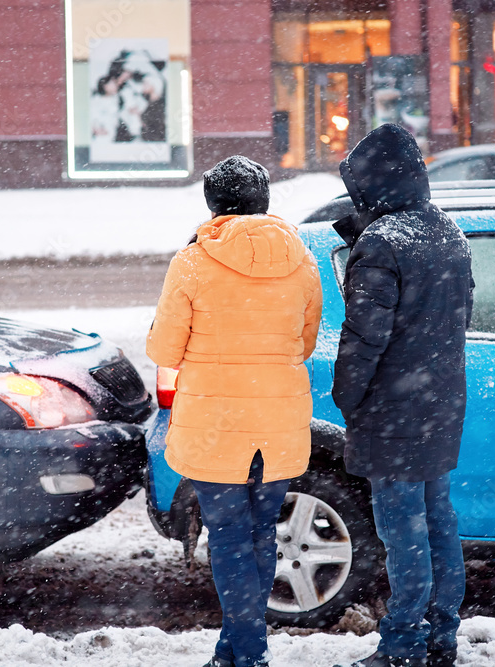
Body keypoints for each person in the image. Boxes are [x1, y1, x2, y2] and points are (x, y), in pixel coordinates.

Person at [146, 156, 322, 667]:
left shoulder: (194, 261)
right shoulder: (301, 258)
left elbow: (164, 351)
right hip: (278, 420)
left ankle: (248, 654)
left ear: (213, 205)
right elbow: (305, 343)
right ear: (264, 201)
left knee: (226, 535)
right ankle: (235, 649)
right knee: (262, 532)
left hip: (214, 425)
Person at [331, 124, 474, 667]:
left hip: (392, 409)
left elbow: (364, 337)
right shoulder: (449, 233)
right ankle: (442, 635)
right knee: (438, 518)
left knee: (401, 526)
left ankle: (402, 643)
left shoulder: (383, 243)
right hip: (440, 401)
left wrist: (349, 398)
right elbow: (457, 318)